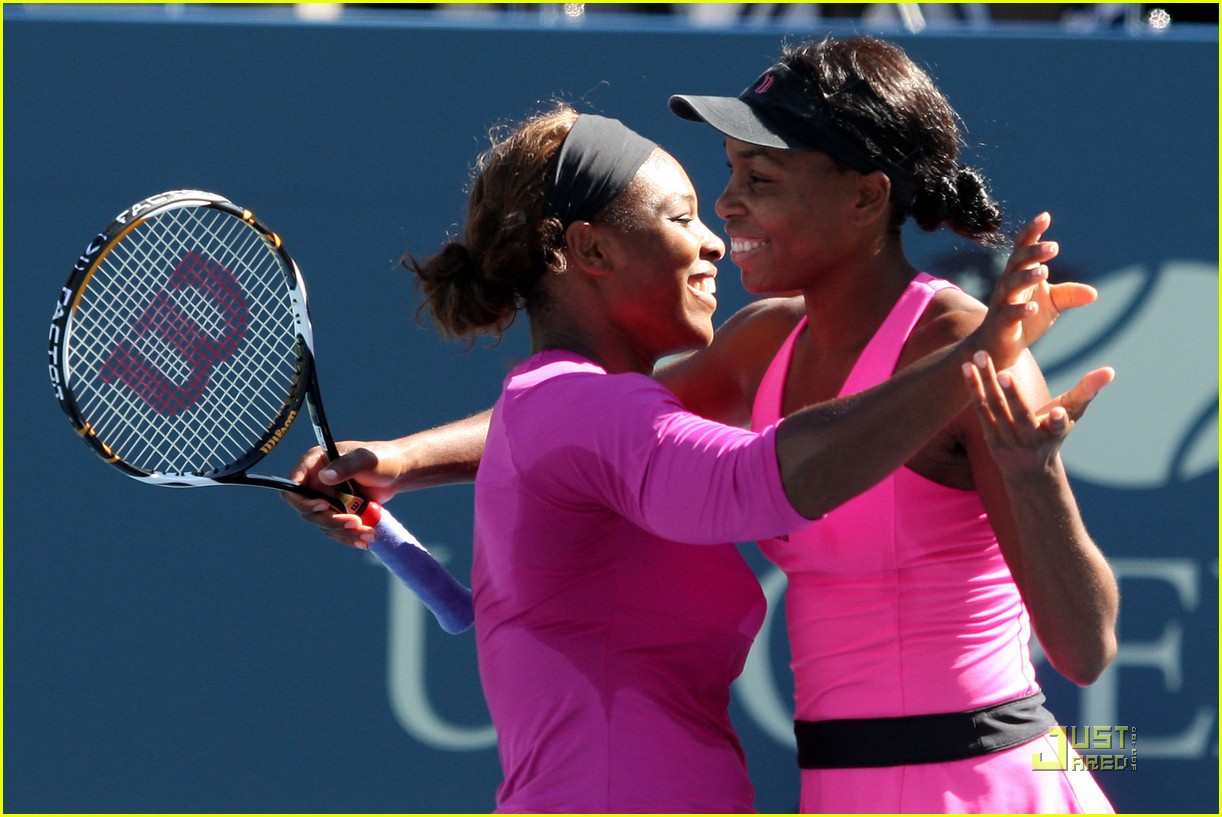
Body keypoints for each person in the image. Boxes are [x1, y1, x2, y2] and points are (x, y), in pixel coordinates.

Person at [283, 104, 1105, 813]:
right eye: (681, 218)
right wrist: (976, 355)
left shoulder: (560, 403)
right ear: (593, 252)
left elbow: (566, 429)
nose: (715, 238)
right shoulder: (590, 408)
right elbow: (757, 480)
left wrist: (399, 457)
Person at [659, 35, 1118, 812]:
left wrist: (1031, 473)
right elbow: (579, 423)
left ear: (867, 198)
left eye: (760, 176)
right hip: (840, 789)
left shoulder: (970, 355)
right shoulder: (762, 341)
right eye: (731, 170)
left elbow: (1085, 647)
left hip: (994, 788)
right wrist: (401, 461)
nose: (728, 202)